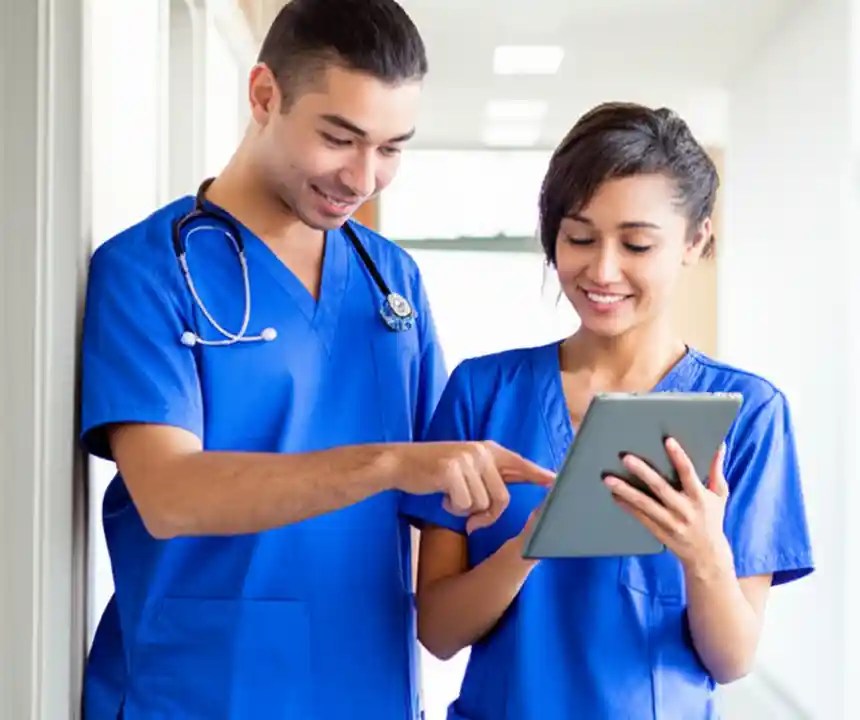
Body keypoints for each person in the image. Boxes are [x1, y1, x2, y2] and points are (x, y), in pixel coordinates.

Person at [78, 2, 552, 718]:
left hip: (366, 687)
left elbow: (441, 496)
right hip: (201, 688)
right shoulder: (148, 270)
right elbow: (169, 495)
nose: (363, 177)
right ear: (265, 95)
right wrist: (389, 463)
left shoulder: (392, 283)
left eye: (392, 148)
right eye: (340, 137)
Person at [402, 102, 815, 719]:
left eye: (637, 243)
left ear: (695, 240)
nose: (602, 270)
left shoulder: (748, 415)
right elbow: (437, 633)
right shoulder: (481, 393)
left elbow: (732, 660)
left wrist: (704, 553)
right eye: (579, 237)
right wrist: (531, 543)